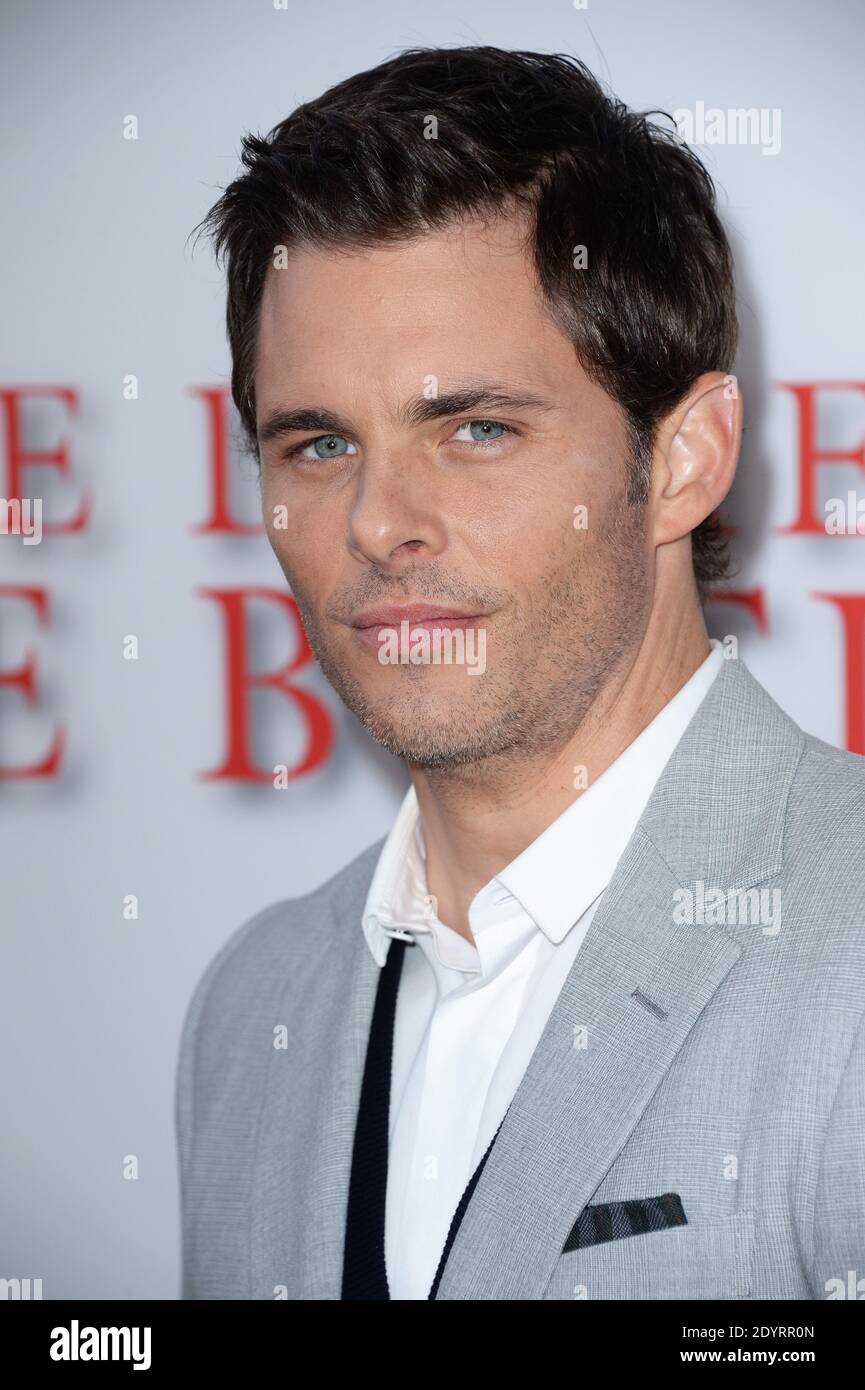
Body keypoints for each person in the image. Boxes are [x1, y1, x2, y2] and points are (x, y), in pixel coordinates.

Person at [176, 45, 865, 1300]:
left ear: (685, 458)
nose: (381, 522)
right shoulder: (249, 1008)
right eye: (319, 442)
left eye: (477, 429)